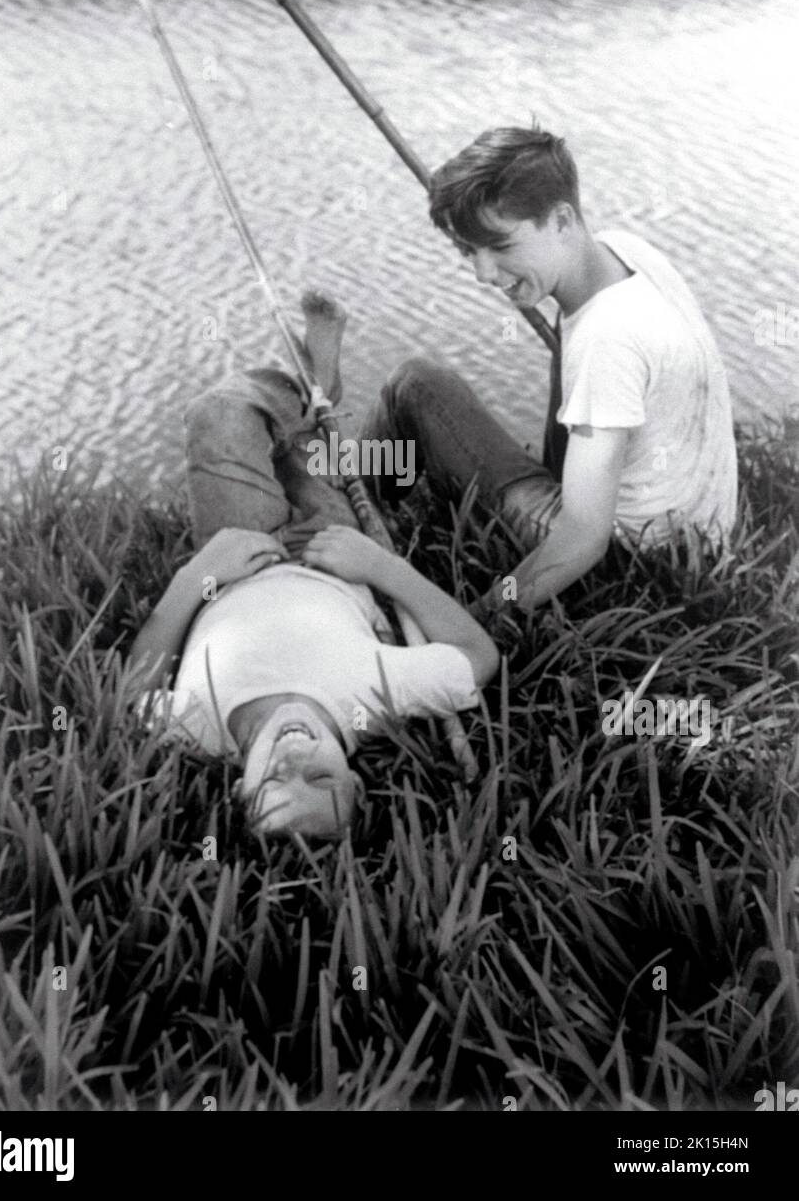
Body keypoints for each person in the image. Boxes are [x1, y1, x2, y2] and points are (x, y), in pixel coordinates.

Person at [128, 292, 498, 840]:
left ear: (240, 787)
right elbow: (478, 658)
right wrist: (381, 568)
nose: (294, 754)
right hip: (335, 557)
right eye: (319, 776)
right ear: (353, 779)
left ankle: (311, 388)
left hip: (239, 557)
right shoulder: (373, 702)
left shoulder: (197, 728)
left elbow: (132, 694)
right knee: (312, 452)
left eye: (275, 780)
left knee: (221, 417)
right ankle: (316, 389)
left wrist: (195, 576)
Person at [361, 126, 738, 619]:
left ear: (561, 220)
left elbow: (583, 541)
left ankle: (354, 512)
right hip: (698, 540)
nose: (482, 273)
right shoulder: (623, 252)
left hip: (623, 566)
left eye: (500, 246)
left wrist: (480, 615)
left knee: (417, 387)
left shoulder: (608, 338)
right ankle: (363, 505)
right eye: (467, 250)